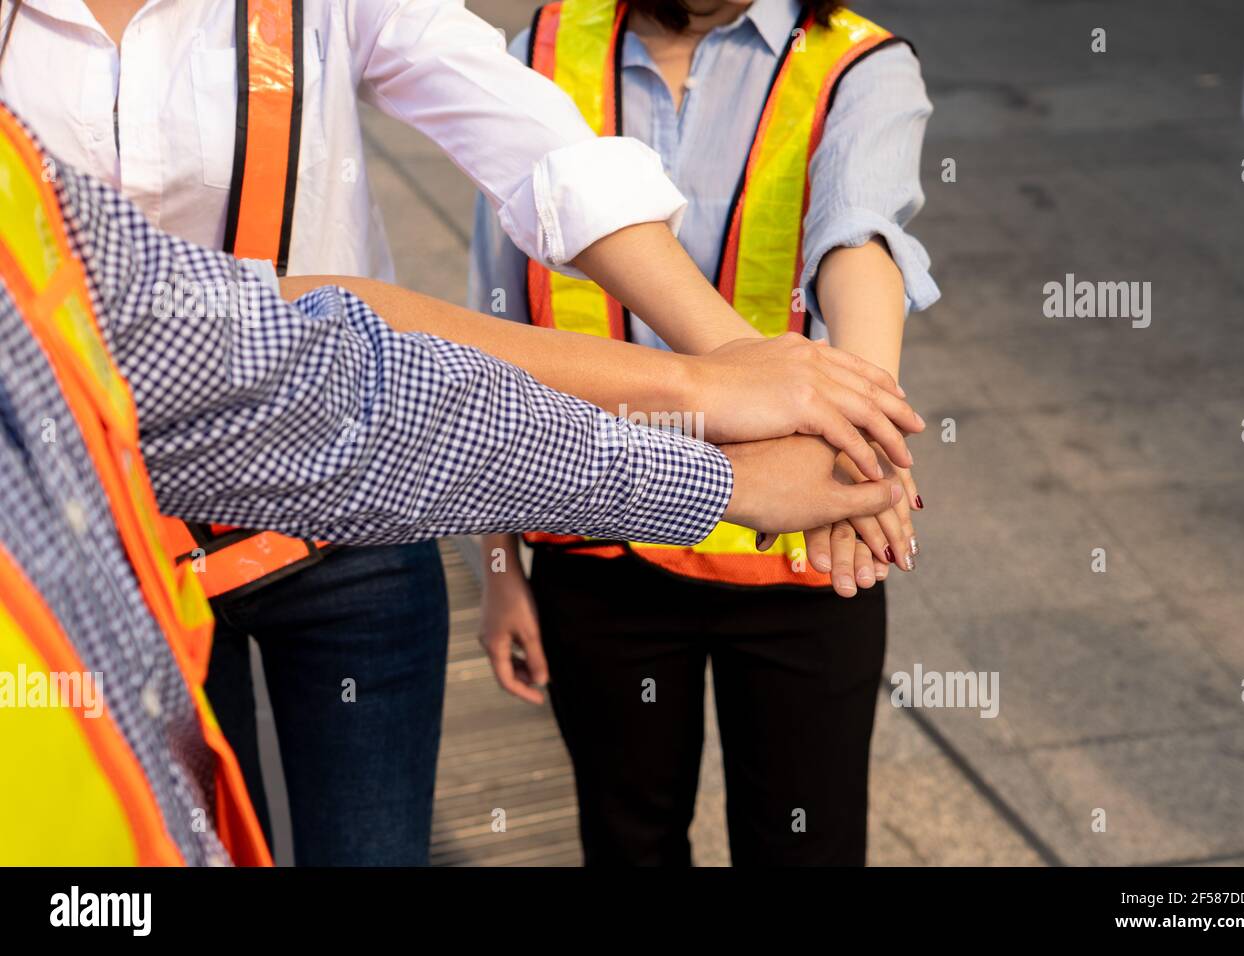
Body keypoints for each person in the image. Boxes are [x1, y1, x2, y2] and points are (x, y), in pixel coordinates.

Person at [0, 0, 914, 863]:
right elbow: (322, 344)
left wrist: (800, 410)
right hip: (118, 552)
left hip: (359, 518)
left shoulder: (850, 61)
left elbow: (529, 168)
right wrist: (726, 411)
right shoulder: (566, 37)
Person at [470, 0, 940, 865]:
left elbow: (859, 236)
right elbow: (497, 318)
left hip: (803, 552)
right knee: (628, 843)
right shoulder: (538, 46)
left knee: (807, 846)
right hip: (598, 541)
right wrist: (501, 569)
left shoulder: (857, 64)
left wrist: (857, 438)